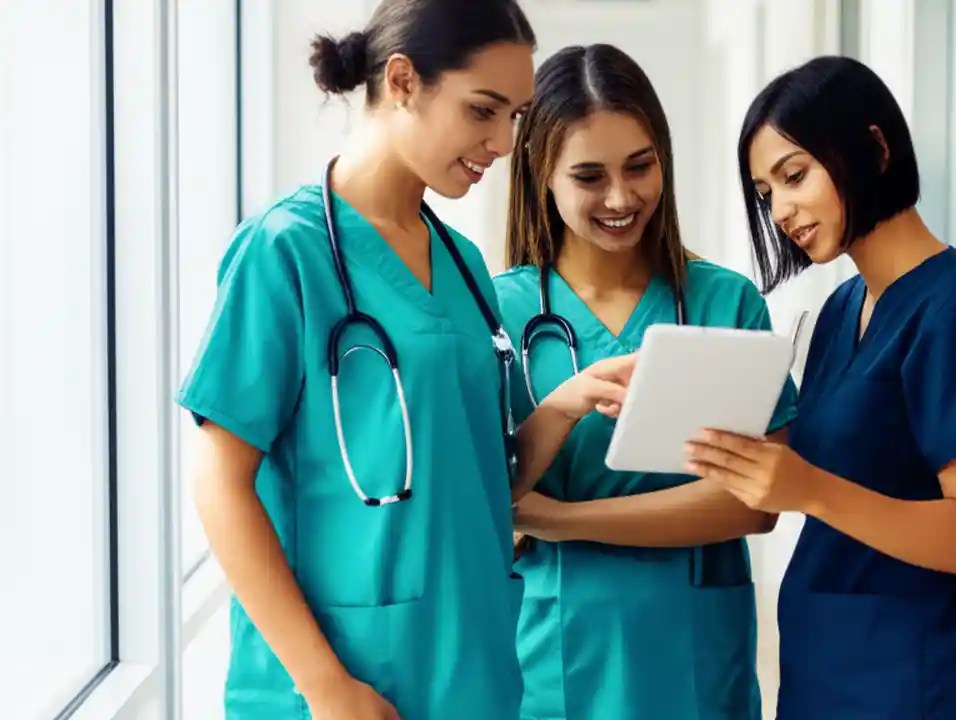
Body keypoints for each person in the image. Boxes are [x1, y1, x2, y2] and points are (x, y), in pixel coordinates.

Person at [175, 2, 637, 718]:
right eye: (483, 110)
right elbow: (218, 482)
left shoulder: (464, 265)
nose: (504, 142)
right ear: (401, 81)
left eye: (515, 116)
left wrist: (566, 403)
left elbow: (483, 476)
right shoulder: (285, 251)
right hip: (339, 684)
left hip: (470, 671)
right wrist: (325, 686)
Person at [687, 56, 956, 719]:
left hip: (915, 683)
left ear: (873, 148)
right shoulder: (843, 307)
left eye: (794, 176)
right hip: (828, 674)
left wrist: (806, 488)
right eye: (765, 193)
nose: (781, 210)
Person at [492, 43, 798, 720]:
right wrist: (564, 410)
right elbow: (490, 498)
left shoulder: (725, 303)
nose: (621, 198)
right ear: (541, 173)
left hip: (692, 649)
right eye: (589, 176)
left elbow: (755, 503)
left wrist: (564, 521)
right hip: (554, 655)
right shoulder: (498, 313)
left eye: (640, 166)